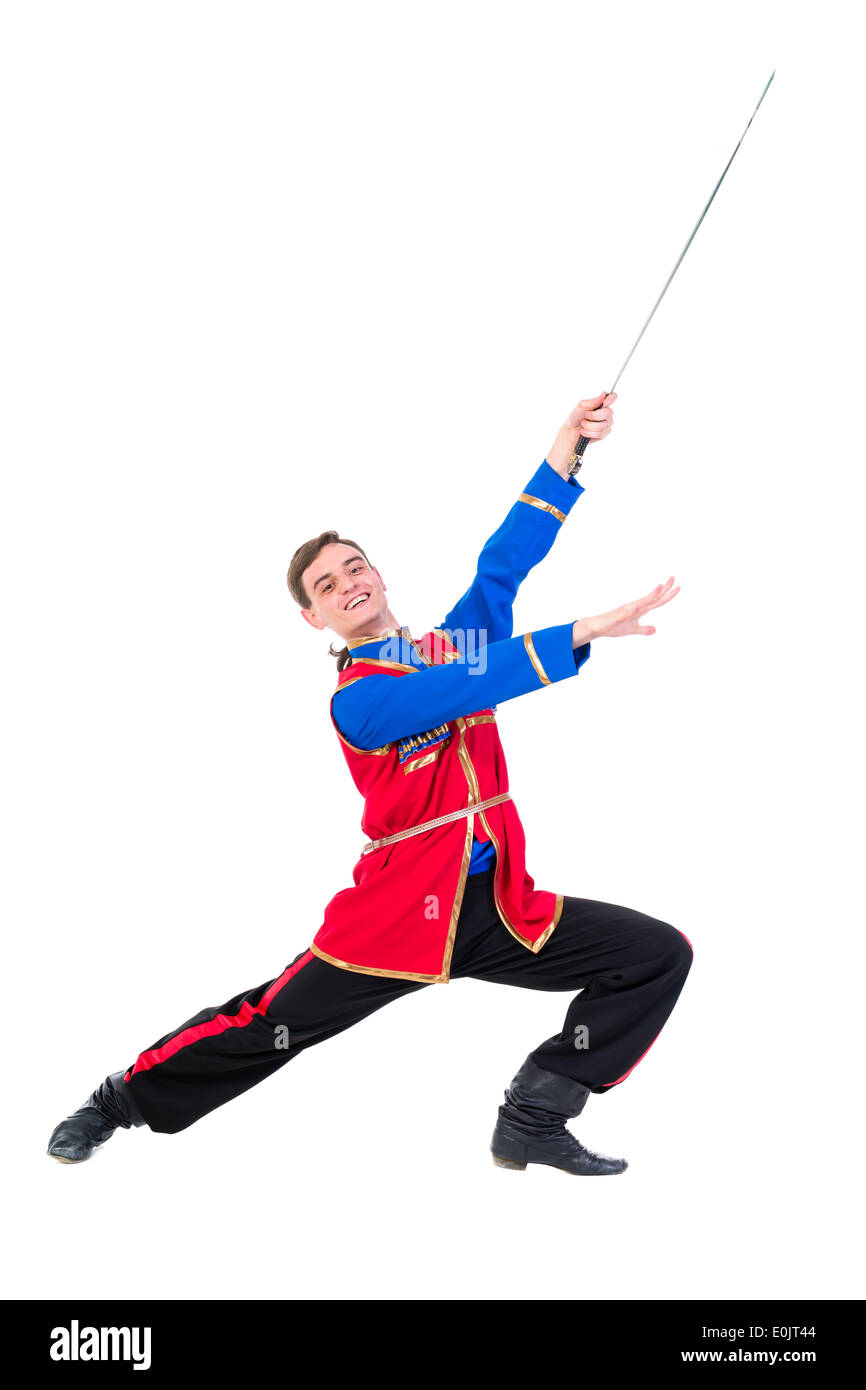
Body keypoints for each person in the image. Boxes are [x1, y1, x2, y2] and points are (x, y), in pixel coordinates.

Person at [47, 392, 692, 1175]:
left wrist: (565, 453)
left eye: (355, 566)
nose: (347, 582)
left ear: (379, 575)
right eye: (326, 585)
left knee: (655, 954)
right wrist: (583, 630)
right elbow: (463, 688)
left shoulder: (447, 648)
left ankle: (537, 1109)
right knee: (270, 1024)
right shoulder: (359, 700)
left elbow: (501, 568)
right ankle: (118, 1100)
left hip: (495, 910)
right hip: (397, 917)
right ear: (315, 618)